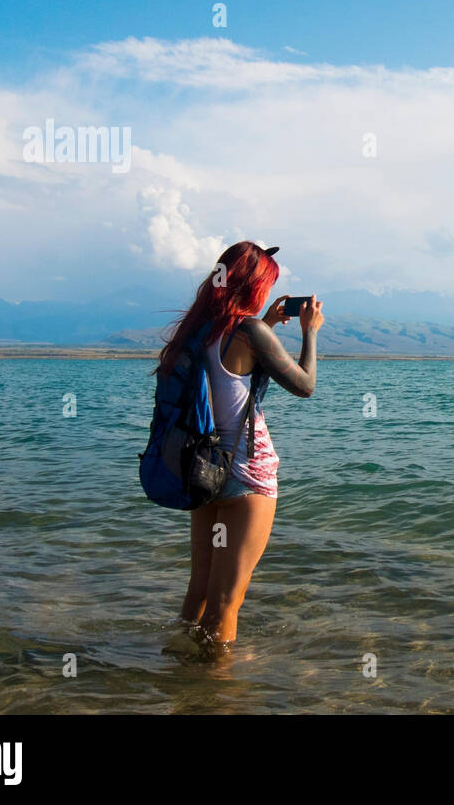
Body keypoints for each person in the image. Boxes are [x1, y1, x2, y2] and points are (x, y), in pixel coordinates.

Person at [154, 241, 324, 651]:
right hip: (249, 478)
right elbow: (305, 385)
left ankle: (178, 675)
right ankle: (218, 694)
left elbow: (232, 378)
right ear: (254, 285)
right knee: (228, 603)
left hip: (204, 473)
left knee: (199, 593)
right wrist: (309, 334)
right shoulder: (249, 332)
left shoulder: (196, 332)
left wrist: (264, 324)